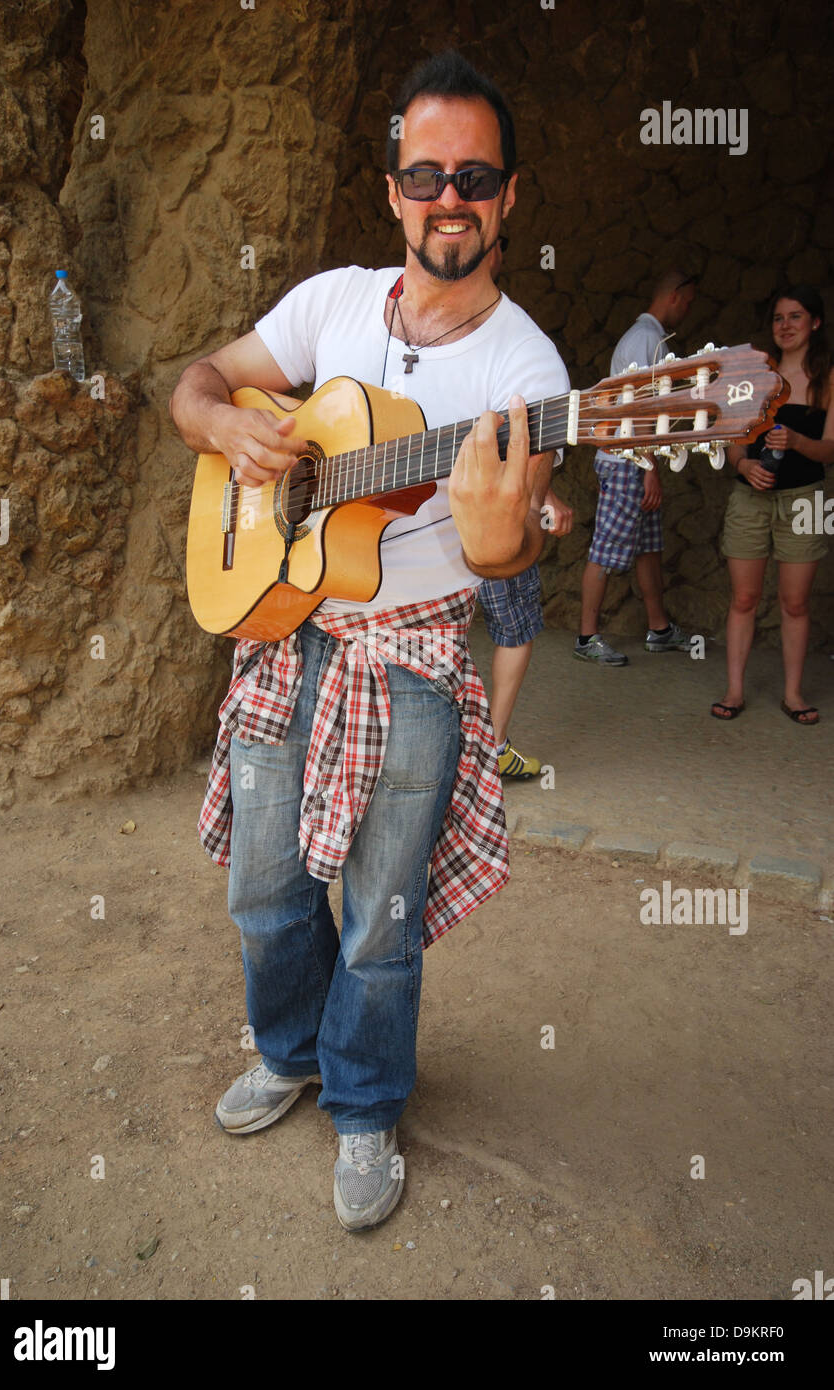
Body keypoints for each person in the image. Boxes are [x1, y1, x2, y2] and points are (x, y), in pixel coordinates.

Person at [168, 50, 570, 1232]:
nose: (452, 198)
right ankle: (287, 1049)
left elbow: (516, 548)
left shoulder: (526, 369)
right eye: (427, 174)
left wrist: (509, 541)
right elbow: (200, 384)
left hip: (416, 663)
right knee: (264, 887)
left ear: (508, 198)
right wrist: (229, 437)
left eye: (477, 177)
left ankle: (362, 1100)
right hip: (285, 631)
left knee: (383, 916)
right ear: (393, 189)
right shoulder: (328, 301)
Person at [712, 285, 834, 724]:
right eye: (779, 318)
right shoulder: (755, 374)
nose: (785, 326)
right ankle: (735, 690)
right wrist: (744, 467)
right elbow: (733, 441)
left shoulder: (828, 379)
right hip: (751, 497)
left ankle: (793, 694)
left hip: (807, 498)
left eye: (795, 317)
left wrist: (799, 440)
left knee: (795, 603)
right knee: (743, 597)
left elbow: (830, 450)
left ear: (815, 323)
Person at [476, 233, 574, 779]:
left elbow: (528, 453)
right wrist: (539, 503)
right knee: (516, 628)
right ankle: (489, 747)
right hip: (493, 517)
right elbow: (528, 449)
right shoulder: (522, 345)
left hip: (422, 512)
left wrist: (546, 497)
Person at [574, 270, 698, 665]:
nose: (688, 310)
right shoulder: (646, 340)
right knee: (606, 550)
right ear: (675, 296)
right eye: (688, 302)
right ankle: (586, 637)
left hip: (632, 459)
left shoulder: (648, 338)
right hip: (627, 460)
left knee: (647, 550)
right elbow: (640, 408)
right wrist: (650, 468)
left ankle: (659, 629)